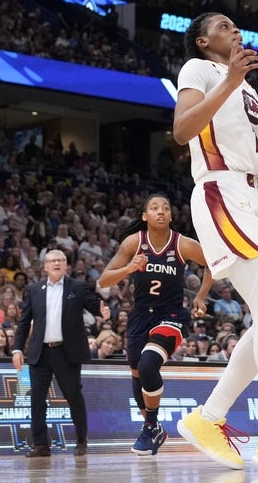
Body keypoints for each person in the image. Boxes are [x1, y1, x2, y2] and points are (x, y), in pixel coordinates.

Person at [171, 10, 258, 472]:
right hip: (219, 190)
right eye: (224, 26)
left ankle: (209, 418)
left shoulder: (251, 92)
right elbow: (182, 131)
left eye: (235, 26)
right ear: (202, 41)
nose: (235, 31)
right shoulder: (199, 71)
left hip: (253, 198)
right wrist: (228, 80)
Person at [97, 193, 212, 456]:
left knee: (149, 363)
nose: (161, 212)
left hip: (170, 315)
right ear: (144, 216)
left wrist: (202, 296)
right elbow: (104, 280)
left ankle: (150, 426)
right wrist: (129, 269)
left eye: (166, 208)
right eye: (154, 208)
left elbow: (212, 265)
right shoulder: (133, 242)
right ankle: (153, 427)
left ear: (171, 216)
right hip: (139, 316)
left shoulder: (183, 244)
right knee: (138, 373)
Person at [12, 249, 107, 458]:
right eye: (52, 260)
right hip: (41, 352)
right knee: (36, 399)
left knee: (73, 396)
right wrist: (17, 348)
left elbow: (94, 304)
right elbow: (24, 321)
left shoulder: (78, 287)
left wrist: (102, 311)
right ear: (45, 266)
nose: (56, 263)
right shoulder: (34, 289)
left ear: (66, 266)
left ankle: (81, 441)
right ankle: (40, 445)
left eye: (60, 260)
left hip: (66, 351)